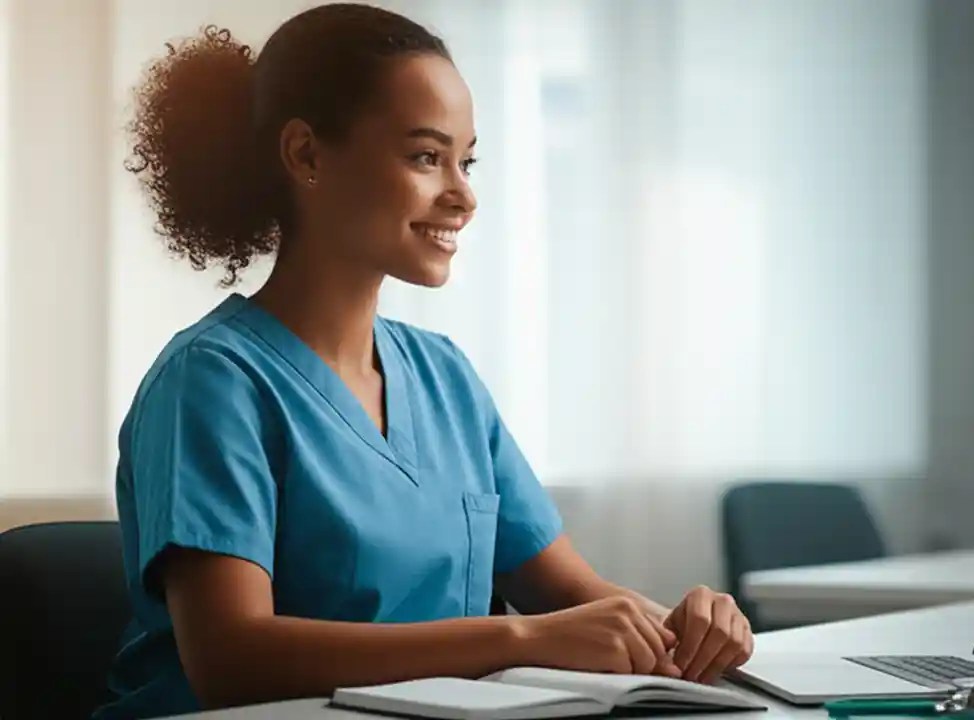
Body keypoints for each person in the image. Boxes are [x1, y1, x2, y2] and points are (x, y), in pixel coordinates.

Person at [95, 4, 753, 718]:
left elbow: (569, 597)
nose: (464, 194)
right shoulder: (212, 381)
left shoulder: (446, 379)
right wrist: (519, 638)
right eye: (425, 156)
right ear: (307, 155)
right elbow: (232, 659)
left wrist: (687, 627)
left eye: (466, 161)